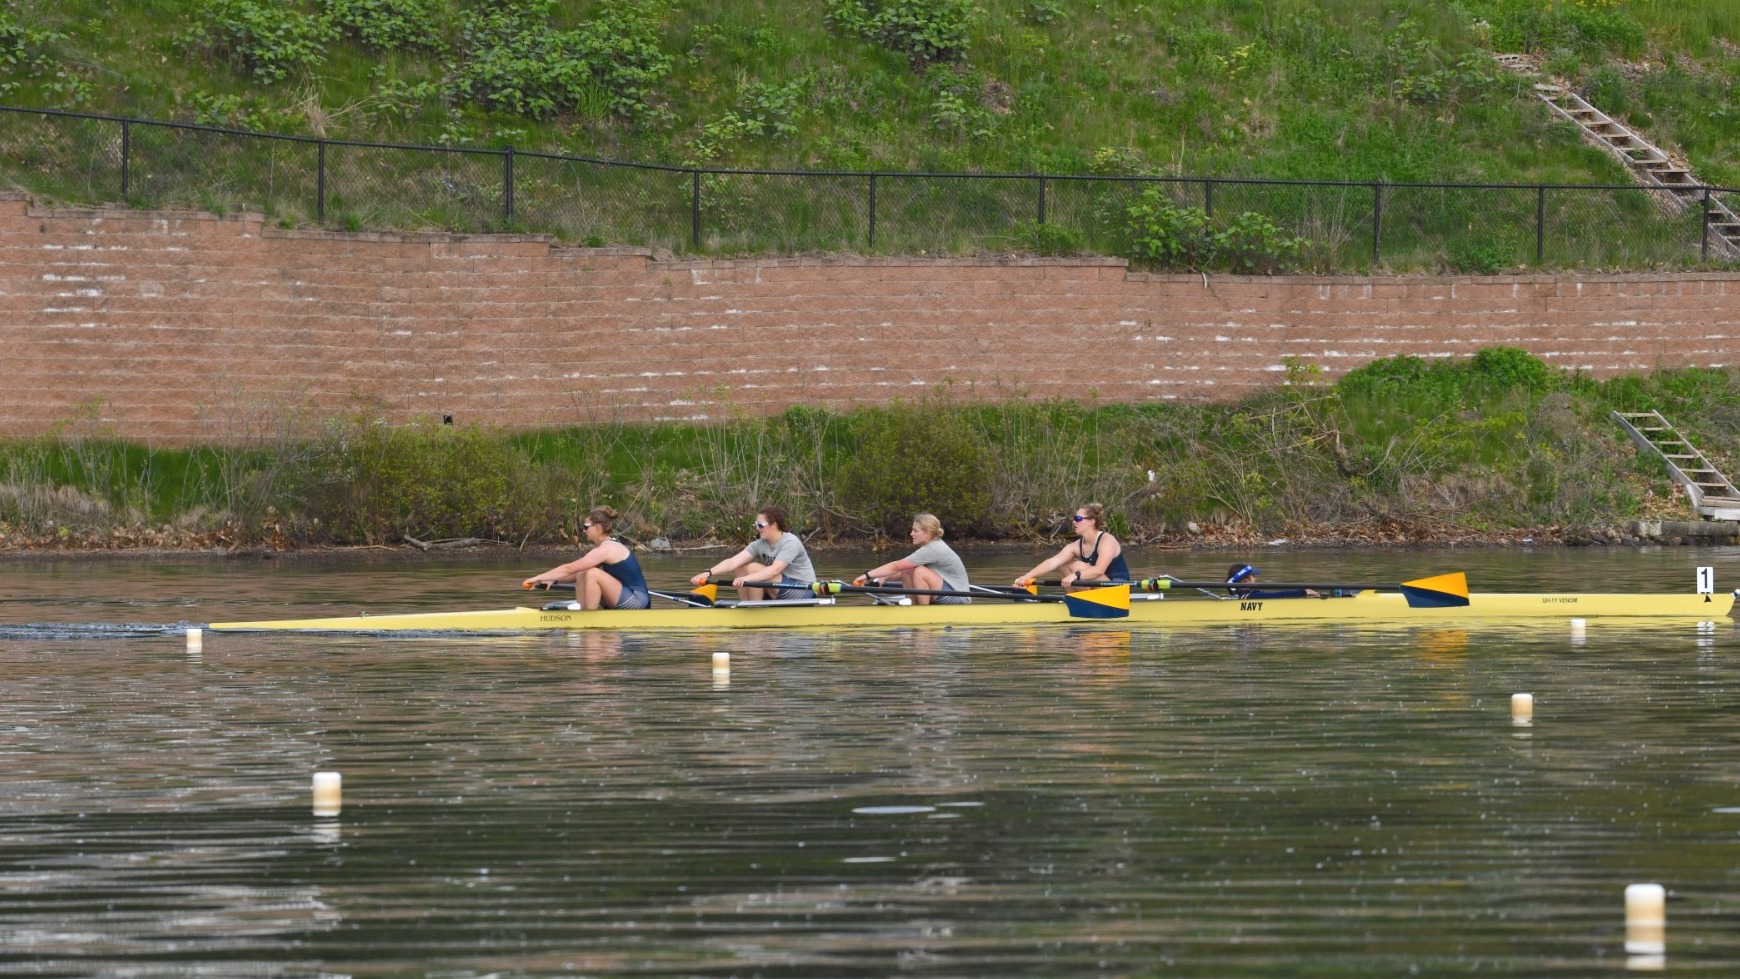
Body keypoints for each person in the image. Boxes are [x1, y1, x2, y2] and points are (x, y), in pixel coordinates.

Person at [522, 506, 650, 610]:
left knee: (592, 574)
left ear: (597, 528)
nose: (583, 531)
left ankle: (587, 617)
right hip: (623, 596)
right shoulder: (604, 548)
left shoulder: (607, 549)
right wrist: (553, 579)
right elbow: (574, 574)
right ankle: (584, 612)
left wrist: (538, 577)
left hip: (637, 601)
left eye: (586, 527)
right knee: (583, 572)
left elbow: (568, 568)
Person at [690, 505, 816, 601]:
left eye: (760, 525)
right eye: (756, 525)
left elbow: (774, 570)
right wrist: (708, 573)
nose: (757, 528)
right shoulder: (759, 544)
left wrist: (746, 578)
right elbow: (733, 562)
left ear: (773, 525)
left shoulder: (790, 542)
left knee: (753, 568)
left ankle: (754, 609)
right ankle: (746, 606)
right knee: (740, 566)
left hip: (803, 591)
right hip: (779, 588)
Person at [853, 513, 971, 605]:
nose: (911, 534)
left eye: (915, 531)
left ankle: (922, 612)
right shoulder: (931, 546)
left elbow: (896, 566)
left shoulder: (932, 549)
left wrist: (866, 576)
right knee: (908, 569)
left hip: (959, 598)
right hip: (945, 590)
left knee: (919, 571)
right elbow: (902, 569)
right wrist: (884, 578)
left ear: (928, 534)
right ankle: (913, 607)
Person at [1013, 502, 1130, 590]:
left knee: (1077, 566)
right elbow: (1053, 562)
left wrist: (1075, 575)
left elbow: (1099, 570)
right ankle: (1075, 600)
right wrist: (1027, 576)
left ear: (1091, 521)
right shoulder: (1076, 545)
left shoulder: (1107, 541)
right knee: (1064, 564)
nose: (1074, 522)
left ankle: (1086, 602)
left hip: (1119, 589)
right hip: (1099, 587)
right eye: (1074, 518)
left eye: (1078, 519)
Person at [1226, 564, 1321, 599]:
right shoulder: (1252, 596)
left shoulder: (1237, 596)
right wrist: (1304, 591)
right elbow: (1277, 595)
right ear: (1245, 580)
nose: (1255, 579)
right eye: (1253, 576)